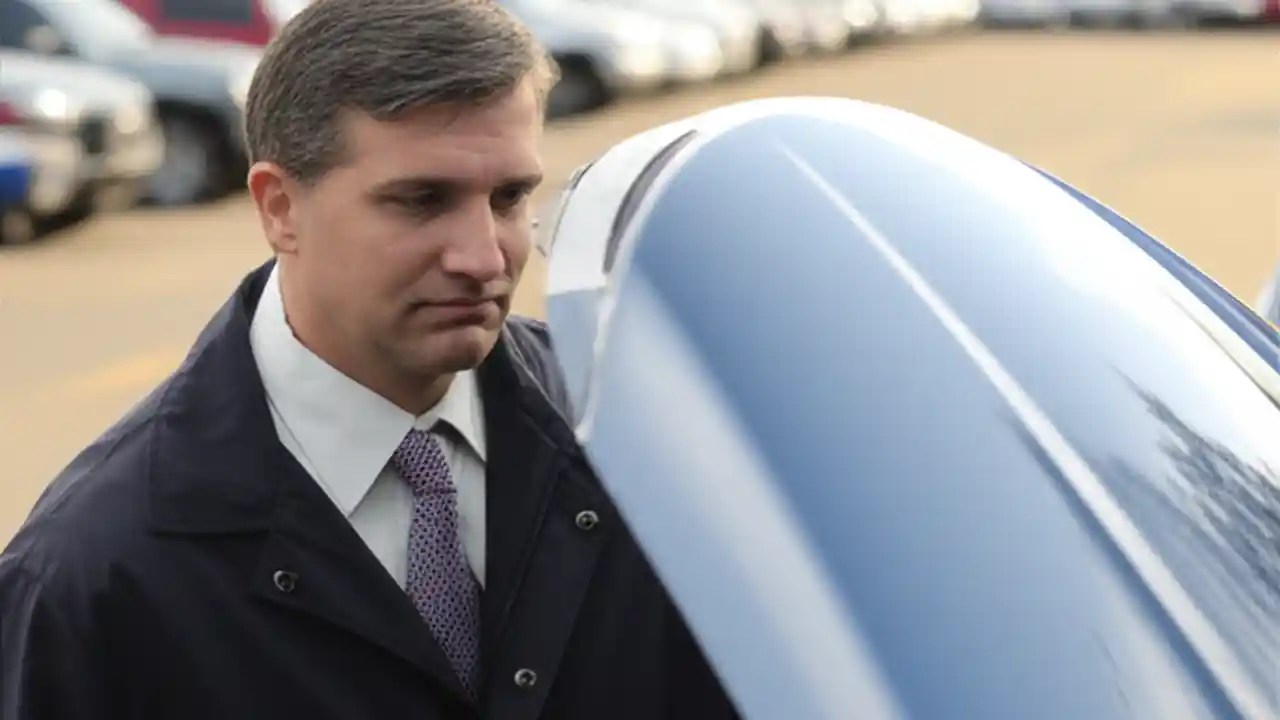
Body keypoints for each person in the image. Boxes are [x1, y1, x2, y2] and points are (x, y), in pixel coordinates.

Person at [0, 0, 740, 717]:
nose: (485, 258)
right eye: (422, 200)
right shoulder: (94, 576)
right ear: (279, 207)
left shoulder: (639, 440)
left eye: (510, 198)